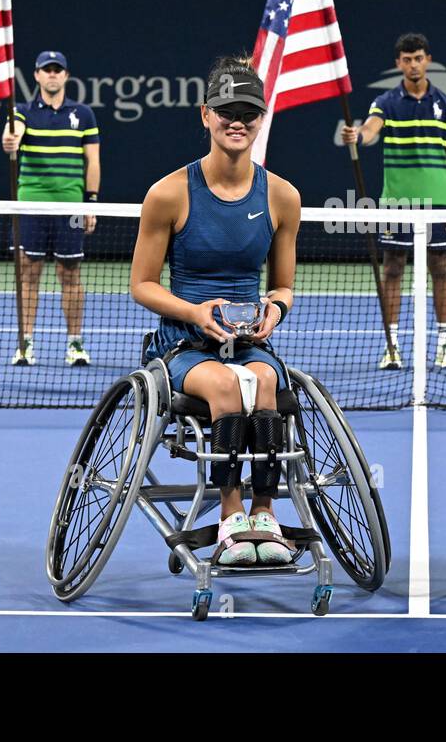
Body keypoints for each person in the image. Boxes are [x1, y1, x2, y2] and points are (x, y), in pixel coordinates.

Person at [130, 56, 302, 566]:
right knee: (228, 389)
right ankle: (231, 516)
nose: (238, 121)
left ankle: (264, 515)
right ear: (205, 115)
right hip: (184, 344)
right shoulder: (168, 194)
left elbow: (285, 286)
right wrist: (194, 310)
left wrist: (276, 307)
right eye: (226, 110)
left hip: (249, 340)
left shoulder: (283, 197)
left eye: (248, 111)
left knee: (267, 385)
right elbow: (141, 285)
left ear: (261, 118)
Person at [340, 32, 446, 370]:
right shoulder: (386, 102)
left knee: (441, 269)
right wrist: (358, 136)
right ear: (399, 63)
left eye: (419, 58)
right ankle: (392, 347)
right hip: (397, 202)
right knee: (392, 269)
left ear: (428, 60)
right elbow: (371, 129)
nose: (413, 64)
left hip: (439, 202)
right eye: (407, 59)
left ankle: (444, 345)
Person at [1, 50, 101, 367]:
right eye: (47, 70)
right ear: (37, 76)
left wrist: (92, 202)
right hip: (30, 204)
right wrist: (10, 140)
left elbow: (93, 161)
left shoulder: (83, 114)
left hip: (70, 204)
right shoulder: (21, 111)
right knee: (28, 274)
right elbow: (10, 136)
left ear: (66, 76)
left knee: (69, 273)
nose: (53, 75)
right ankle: (25, 343)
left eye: (58, 70)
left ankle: (75, 344)